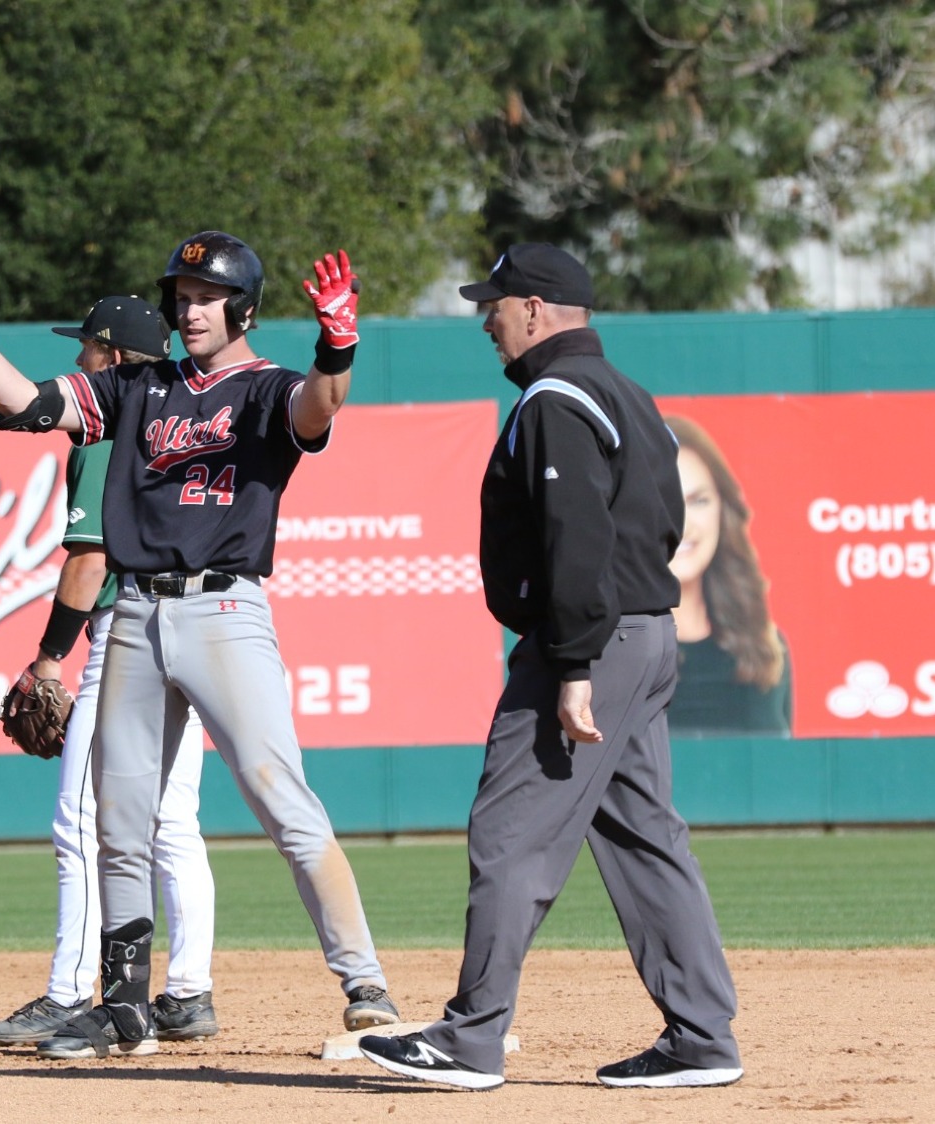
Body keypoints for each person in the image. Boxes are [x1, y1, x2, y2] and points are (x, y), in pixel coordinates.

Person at [0, 230, 399, 1061]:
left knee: (280, 797)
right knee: (119, 819)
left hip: (225, 611)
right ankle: (123, 1011)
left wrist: (339, 340)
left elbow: (321, 408)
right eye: (180, 296)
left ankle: (364, 982)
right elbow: (35, 401)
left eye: (205, 296)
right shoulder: (139, 385)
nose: (188, 309)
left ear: (244, 307)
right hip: (138, 616)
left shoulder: (266, 389)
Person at [359, 244, 742, 1090]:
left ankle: (471, 1037)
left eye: (494, 304)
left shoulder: (556, 399)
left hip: (589, 647)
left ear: (535, 309)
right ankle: (703, 1035)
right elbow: (666, 525)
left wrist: (572, 664)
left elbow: (577, 539)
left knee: (509, 835)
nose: (486, 320)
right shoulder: (631, 397)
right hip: (643, 636)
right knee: (645, 836)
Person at [0, 296, 220, 1049]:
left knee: (81, 819)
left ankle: (69, 990)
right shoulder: (185, 418)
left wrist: (48, 657)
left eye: (86, 347)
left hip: (132, 633)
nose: (78, 358)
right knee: (174, 823)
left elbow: (90, 559)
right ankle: (188, 994)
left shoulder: (108, 428)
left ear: (111, 356)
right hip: (203, 628)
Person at [662, 415, 792, 736]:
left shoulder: (765, 645)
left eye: (699, 501)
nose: (684, 524)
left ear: (723, 509)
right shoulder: (605, 652)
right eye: (664, 501)